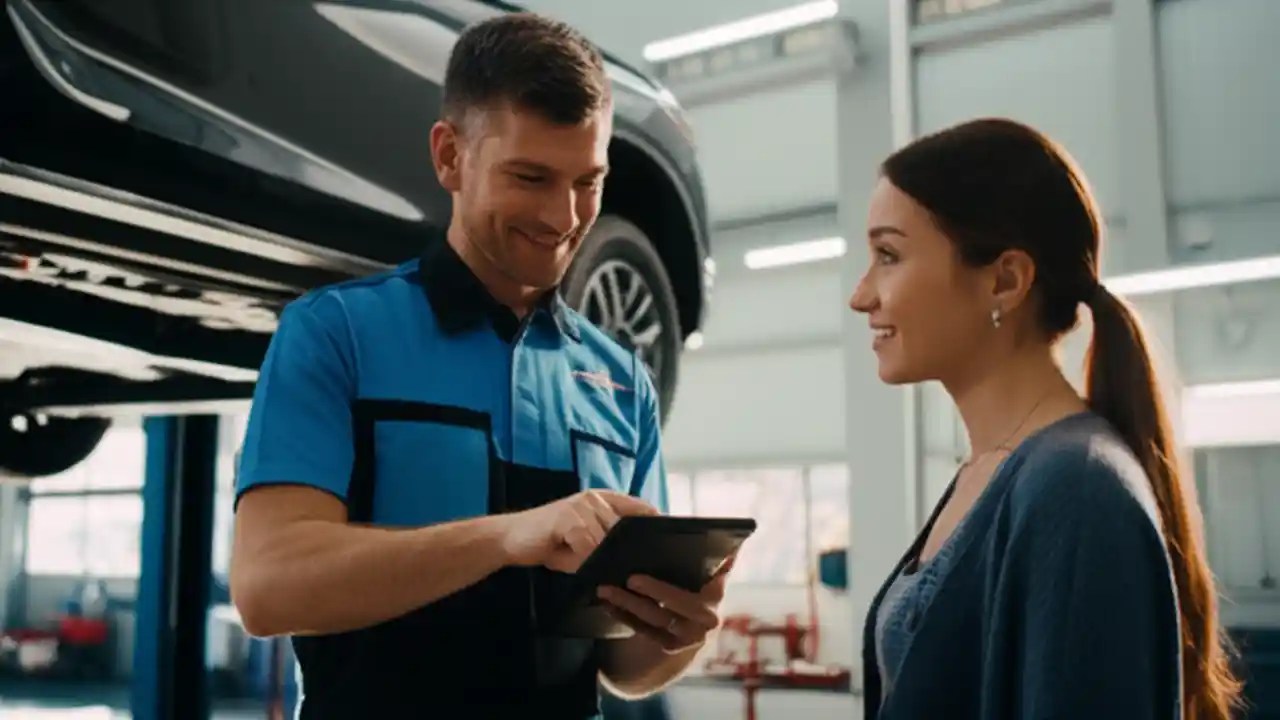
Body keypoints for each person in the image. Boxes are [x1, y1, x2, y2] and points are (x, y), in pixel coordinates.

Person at [228, 13, 731, 718]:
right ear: (449, 157)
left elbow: (623, 667)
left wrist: (682, 632)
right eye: (530, 177)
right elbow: (268, 588)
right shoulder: (336, 334)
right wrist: (506, 537)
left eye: (588, 181)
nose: (563, 216)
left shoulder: (622, 383)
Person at [848, 118, 1242, 720]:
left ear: (1004, 280)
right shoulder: (993, 470)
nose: (861, 295)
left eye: (888, 255)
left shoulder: (1076, 488)